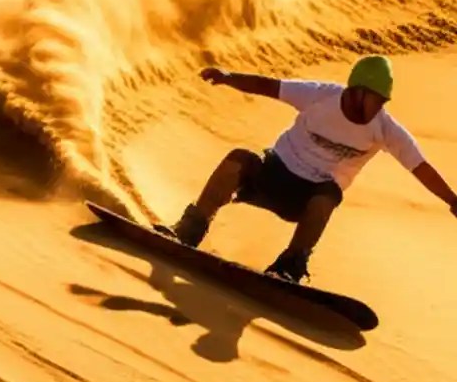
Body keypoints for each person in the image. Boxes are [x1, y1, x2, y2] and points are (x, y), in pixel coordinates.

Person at [159, 54, 457, 283]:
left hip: (309, 198)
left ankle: (289, 267)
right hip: (275, 172)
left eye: (383, 102)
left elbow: (420, 167)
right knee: (239, 158)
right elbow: (268, 86)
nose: (378, 107)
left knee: (328, 195)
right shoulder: (319, 95)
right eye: (375, 99)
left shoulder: (385, 129)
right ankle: (189, 230)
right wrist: (228, 77)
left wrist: (453, 200)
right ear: (356, 91)